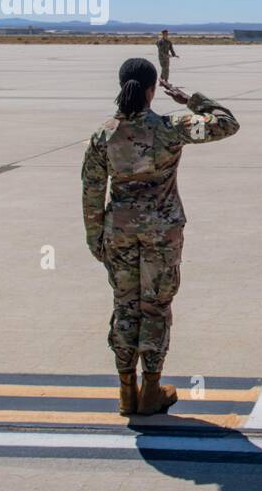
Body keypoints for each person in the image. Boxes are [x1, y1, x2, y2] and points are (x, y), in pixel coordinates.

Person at [82, 58, 240, 416]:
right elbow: (227, 124)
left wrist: (96, 238)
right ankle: (151, 388)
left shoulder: (103, 134)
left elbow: (92, 191)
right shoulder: (171, 127)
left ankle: (126, 389)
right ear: (153, 90)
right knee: (155, 307)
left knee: (125, 306)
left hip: (118, 232)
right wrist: (192, 100)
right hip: (161, 232)